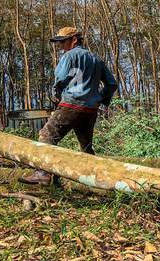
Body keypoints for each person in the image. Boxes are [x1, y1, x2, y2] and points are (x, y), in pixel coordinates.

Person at [26, 26, 119, 184]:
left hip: (72, 105)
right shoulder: (96, 58)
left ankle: (43, 173)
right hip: (91, 109)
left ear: (74, 40)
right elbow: (111, 84)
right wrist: (101, 98)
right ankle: (95, 179)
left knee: (47, 135)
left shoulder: (69, 56)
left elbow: (60, 78)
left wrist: (57, 95)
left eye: (62, 41)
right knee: (86, 146)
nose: (60, 45)